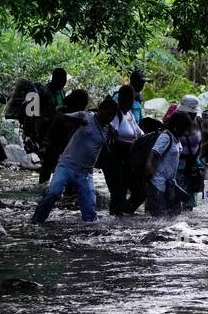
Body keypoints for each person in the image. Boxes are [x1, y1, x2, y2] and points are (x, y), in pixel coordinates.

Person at [31, 97, 119, 224]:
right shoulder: (84, 116)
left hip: (85, 173)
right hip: (66, 165)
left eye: (112, 115)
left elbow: (117, 139)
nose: (109, 117)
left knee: (89, 213)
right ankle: (36, 221)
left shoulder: (110, 130)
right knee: (53, 193)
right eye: (108, 113)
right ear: (100, 109)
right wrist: (75, 120)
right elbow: (60, 117)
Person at [100, 86, 142, 215]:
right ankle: (115, 225)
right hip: (113, 160)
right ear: (120, 99)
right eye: (126, 100)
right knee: (118, 194)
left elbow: (140, 133)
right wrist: (132, 144)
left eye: (131, 100)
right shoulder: (115, 115)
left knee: (140, 193)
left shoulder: (129, 115)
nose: (129, 104)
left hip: (128, 160)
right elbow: (111, 139)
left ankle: (125, 216)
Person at [38, 89, 90, 184]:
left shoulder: (83, 116)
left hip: (68, 152)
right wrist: (44, 146)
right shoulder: (63, 115)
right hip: (56, 149)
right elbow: (52, 132)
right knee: (47, 175)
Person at [146, 111, 192, 216]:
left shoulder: (176, 139)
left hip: (170, 183)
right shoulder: (165, 137)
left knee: (174, 215)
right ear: (176, 126)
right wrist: (148, 170)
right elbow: (153, 153)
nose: (185, 132)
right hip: (158, 183)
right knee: (159, 218)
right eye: (184, 128)